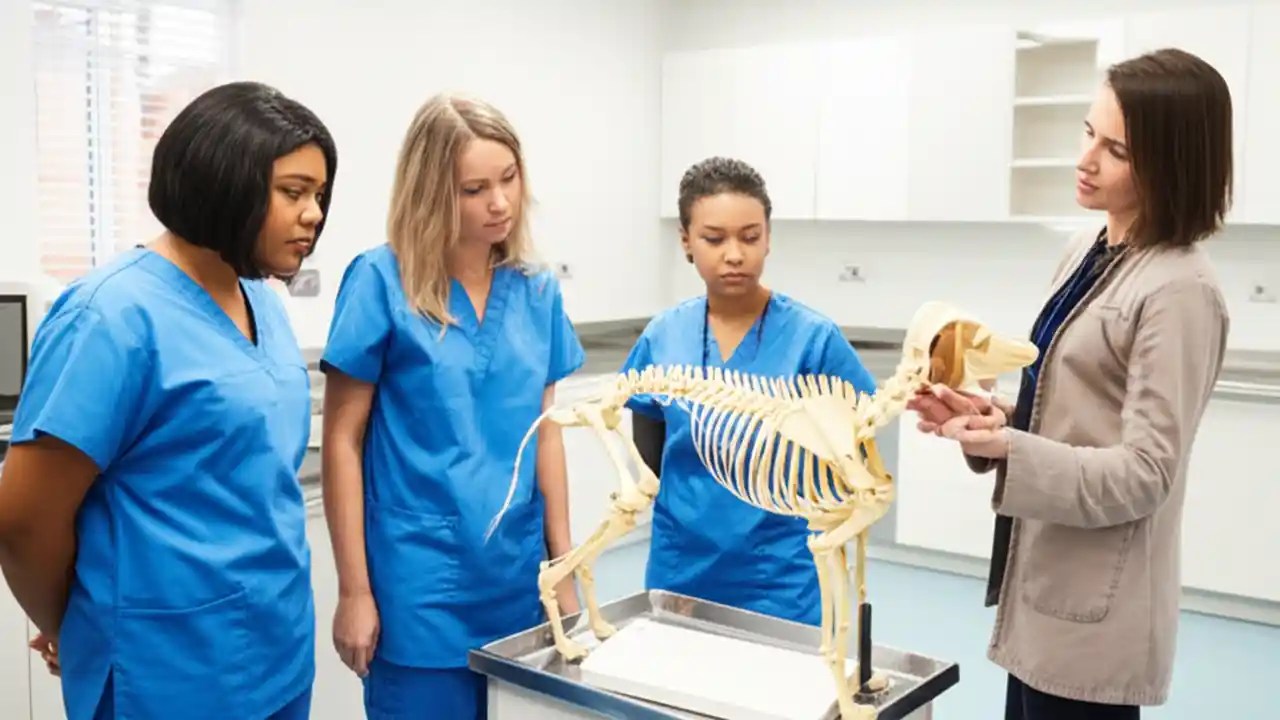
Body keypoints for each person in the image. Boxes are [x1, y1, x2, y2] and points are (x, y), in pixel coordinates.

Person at [907, 47, 1232, 720]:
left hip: (1098, 607)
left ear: (1173, 162)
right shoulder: (1087, 251)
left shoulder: (1179, 290)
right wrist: (992, 418)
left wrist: (1010, 450)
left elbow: (1146, 473)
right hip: (1044, 583)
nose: (1086, 159)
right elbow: (1070, 411)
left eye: (1116, 149)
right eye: (1089, 132)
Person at [0, 81, 336, 720]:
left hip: (276, 646)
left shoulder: (260, 296)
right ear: (223, 180)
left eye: (318, 195)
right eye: (294, 192)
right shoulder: (111, 316)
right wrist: (77, 626)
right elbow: (22, 520)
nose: (314, 214)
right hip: (164, 671)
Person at [320, 92, 584, 720]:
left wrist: (566, 570)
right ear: (431, 190)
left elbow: (546, 435)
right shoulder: (380, 282)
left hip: (518, 583)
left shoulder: (536, 291)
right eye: (474, 189)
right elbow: (342, 441)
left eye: (509, 179)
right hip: (420, 586)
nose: (499, 202)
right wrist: (354, 590)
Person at [620, 156, 878, 626]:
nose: (734, 254)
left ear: (769, 238)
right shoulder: (663, 336)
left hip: (777, 575)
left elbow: (856, 450)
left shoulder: (813, 340)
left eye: (750, 237)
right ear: (686, 242)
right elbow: (650, 452)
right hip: (681, 570)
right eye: (714, 239)